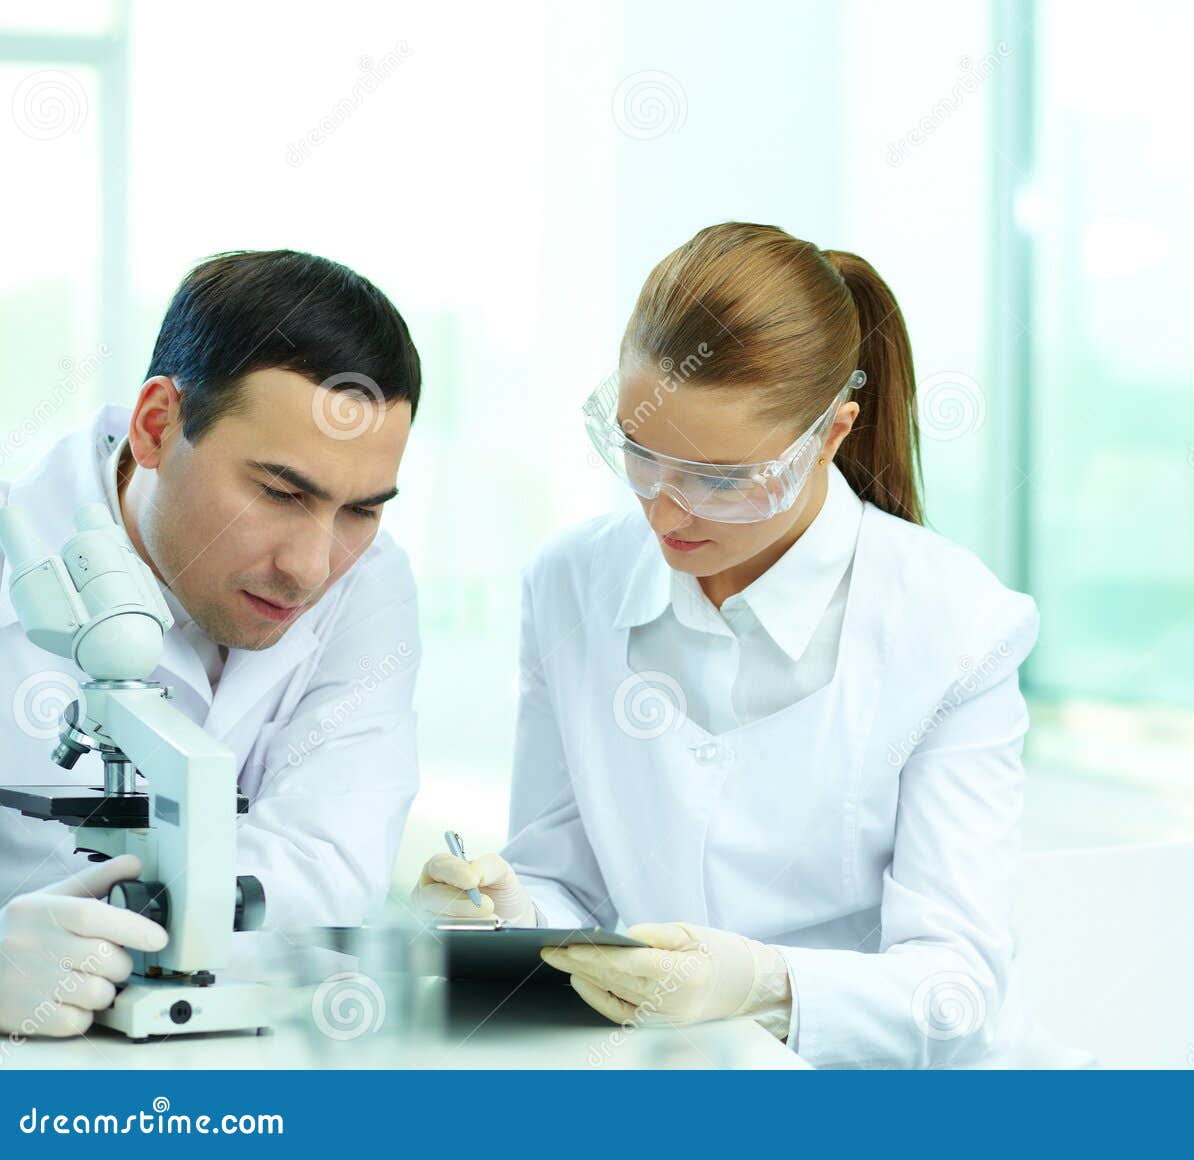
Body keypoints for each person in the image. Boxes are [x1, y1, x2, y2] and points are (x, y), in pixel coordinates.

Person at [416, 222, 1035, 1068]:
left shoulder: (957, 626)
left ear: (831, 434)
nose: (667, 514)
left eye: (720, 479)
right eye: (642, 456)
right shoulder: (570, 584)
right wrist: (506, 914)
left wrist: (762, 984)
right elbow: (569, 888)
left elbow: (954, 995)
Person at [0, 250, 423, 1038]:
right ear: (158, 426)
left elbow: (331, 860)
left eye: (360, 510)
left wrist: (140, 937)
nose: (309, 568)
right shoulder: (18, 546)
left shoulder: (370, 583)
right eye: (280, 493)